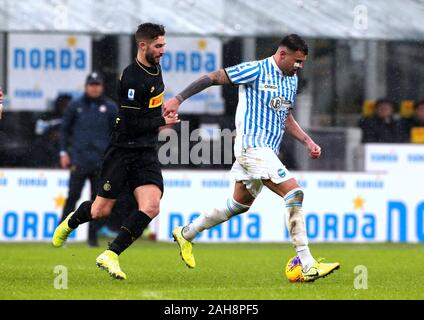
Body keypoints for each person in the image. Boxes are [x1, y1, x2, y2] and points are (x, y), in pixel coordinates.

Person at [163, 34, 340, 282]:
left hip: (267, 150)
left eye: (303, 62)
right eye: (297, 61)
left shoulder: (292, 79)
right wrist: (178, 98)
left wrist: (307, 140)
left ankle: (186, 233)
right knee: (294, 193)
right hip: (251, 147)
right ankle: (308, 263)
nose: (300, 66)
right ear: (282, 54)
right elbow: (213, 77)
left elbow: (285, 116)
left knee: (238, 205)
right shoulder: (256, 70)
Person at [52, 23, 179, 280]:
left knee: (152, 206)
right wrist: (160, 122)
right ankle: (71, 222)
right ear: (143, 46)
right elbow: (131, 125)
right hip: (122, 151)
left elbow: (147, 112)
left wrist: (159, 113)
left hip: (145, 152)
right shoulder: (132, 77)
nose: (163, 50)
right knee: (101, 211)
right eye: (158, 46)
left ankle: (111, 254)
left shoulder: (155, 68)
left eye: (164, 45)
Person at [59, 73, 118, 247]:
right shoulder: (75, 105)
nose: (94, 87)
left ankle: (92, 239)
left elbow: (117, 133)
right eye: (91, 84)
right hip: (79, 161)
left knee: (97, 202)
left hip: (101, 162)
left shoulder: (110, 107)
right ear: (86, 86)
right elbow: (64, 130)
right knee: (72, 198)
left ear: (102, 86)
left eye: (97, 84)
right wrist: (63, 152)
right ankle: (61, 233)